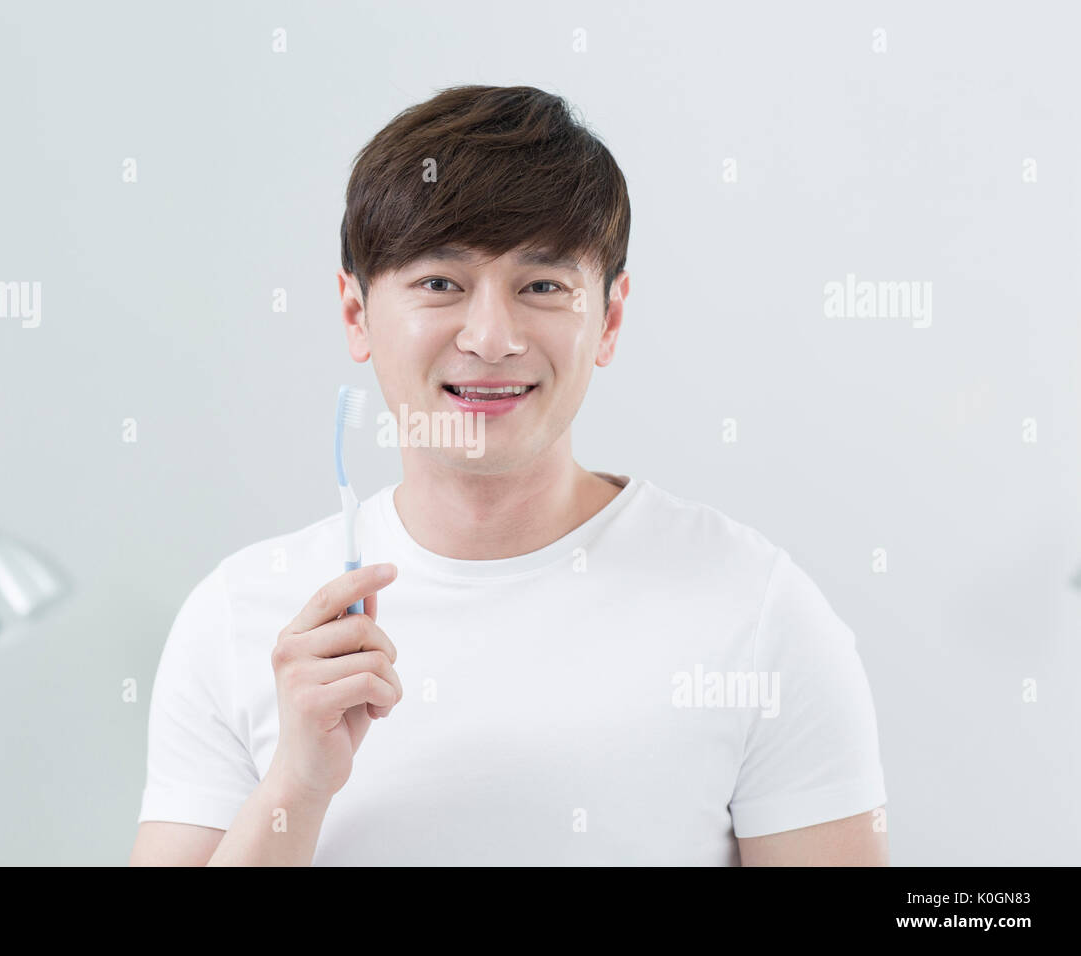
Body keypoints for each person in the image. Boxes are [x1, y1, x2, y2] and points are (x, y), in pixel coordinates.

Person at [129, 84, 888, 866]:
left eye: (543, 287)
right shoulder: (239, 618)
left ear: (610, 319)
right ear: (356, 314)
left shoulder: (758, 611)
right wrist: (296, 786)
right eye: (439, 284)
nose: (491, 338)